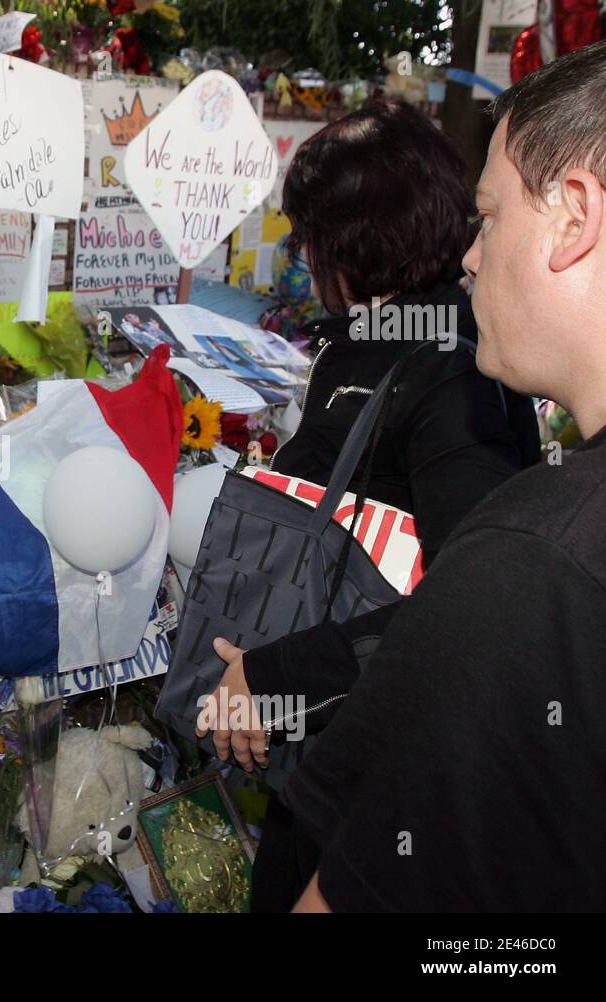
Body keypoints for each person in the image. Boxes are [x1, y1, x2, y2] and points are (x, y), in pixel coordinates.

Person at [193, 98, 542, 911]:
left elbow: (474, 607)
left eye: (311, 238)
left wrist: (279, 678)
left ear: (350, 240)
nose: (304, 260)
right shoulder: (381, 336)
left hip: (382, 776)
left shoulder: (455, 368)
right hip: (329, 752)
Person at [290, 39, 606, 911]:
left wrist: (284, 676)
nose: (469, 256)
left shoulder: (535, 556)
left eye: (491, 216)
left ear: (573, 218)